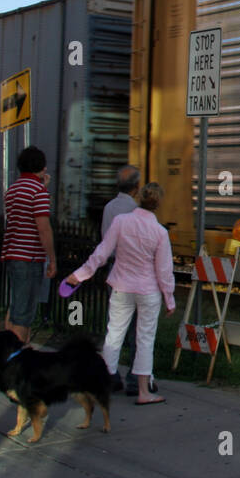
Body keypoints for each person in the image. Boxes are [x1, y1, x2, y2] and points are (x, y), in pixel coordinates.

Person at [66, 182, 174, 405]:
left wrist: (80, 274)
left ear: (138, 199)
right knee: (145, 340)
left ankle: (102, 384)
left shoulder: (121, 222)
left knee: (114, 335)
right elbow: (164, 270)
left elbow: (102, 253)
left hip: (122, 287)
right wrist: (169, 298)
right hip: (148, 291)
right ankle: (144, 392)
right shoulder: (160, 232)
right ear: (158, 204)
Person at [1, 146, 57, 344]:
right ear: (41, 167)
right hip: (30, 258)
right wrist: (52, 259)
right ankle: (18, 359)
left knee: (15, 306)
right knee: (24, 316)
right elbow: (43, 228)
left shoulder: (13, 190)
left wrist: (43, 188)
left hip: (12, 255)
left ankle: (7, 352)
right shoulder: (38, 192)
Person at [101, 165, 142, 394]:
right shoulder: (136, 210)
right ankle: (135, 378)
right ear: (136, 187)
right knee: (137, 327)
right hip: (133, 272)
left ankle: (110, 373)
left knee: (115, 325)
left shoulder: (109, 208)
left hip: (113, 270)